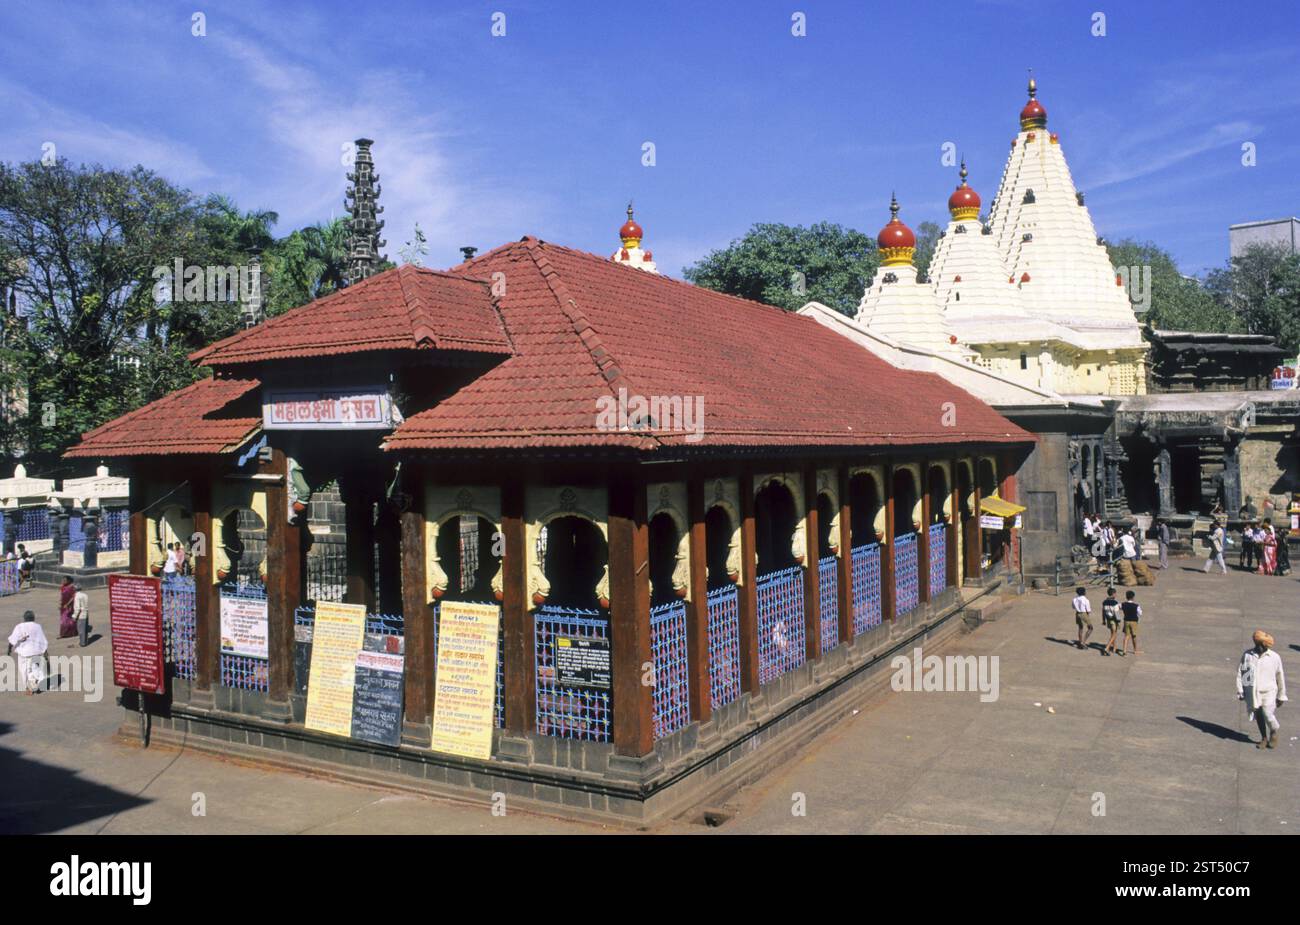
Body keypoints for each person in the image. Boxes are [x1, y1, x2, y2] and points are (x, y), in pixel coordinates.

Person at [1236, 629, 1287, 749]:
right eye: (1259, 646)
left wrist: (1281, 695)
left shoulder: (1274, 657)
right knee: (1258, 714)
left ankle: (1274, 730)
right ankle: (1263, 738)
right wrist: (1241, 690)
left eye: (1263, 647)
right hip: (1253, 692)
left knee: (1267, 714)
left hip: (1269, 691)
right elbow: (1242, 673)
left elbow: (1280, 676)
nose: (1261, 649)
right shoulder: (1248, 655)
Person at [7, 610, 48, 694]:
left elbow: (12, 639)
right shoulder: (37, 626)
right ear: (33, 618)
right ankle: (37, 681)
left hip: (24, 653)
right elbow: (42, 640)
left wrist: (9, 649)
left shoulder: (19, 626)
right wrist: (45, 652)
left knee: (24, 670)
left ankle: (29, 688)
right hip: (35, 651)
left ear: (24, 618)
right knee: (34, 668)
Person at [1120, 589, 1142, 657]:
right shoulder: (1136, 606)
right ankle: (1135, 650)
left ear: (1126, 597)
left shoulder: (1123, 604)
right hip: (1134, 622)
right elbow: (1140, 613)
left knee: (1126, 636)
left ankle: (1124, 651)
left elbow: (1118, 607)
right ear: (1133, 597)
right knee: (1134, 636)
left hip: (1126, 621)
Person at [1101, 586, 1122, 657]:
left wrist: (1103, 620)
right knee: (1114, 634)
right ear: (1113, 594)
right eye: (1115, 593)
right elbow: (1116, 613)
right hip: (1114, 620)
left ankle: (1114, 648)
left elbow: (1103, 611)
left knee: (1112, 634)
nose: (1116, 595)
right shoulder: (1115, 602)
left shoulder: (1104, 602)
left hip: (1108, 619)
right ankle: (1107, 648)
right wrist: (1119, 621)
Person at [1071, 586, 1093, 651]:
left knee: (1080, 628)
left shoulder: (1074, 599)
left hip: (1077, 613)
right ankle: (1083, 642)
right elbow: (1088, 610)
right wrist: (1087, 616)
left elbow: (1073, 607)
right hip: (1084, 613)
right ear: (1084, 592)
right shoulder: (1086, 600)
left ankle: (1080, 642)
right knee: (1090, 628)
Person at [72, 583, 90, 648]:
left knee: (81, 629)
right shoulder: (85, 595)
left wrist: (74, 616)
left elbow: (77, 608)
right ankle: (85, 641)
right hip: (86, 613)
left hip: (81, 615)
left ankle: (82, 643)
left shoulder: (77, 596)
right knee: (85, 629)